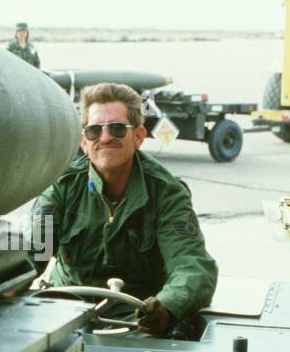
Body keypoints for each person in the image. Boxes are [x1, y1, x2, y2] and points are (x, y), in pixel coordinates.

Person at [31, 83, 217, 337]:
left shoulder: (165, 192)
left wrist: (167, 307)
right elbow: (33, 252)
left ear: (138, 137)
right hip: (66, 308)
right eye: (95, 130)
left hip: (137, 317)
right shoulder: (62, 186)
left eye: (117, 129)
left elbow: (193, 266)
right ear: (84, 142)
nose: (105, 137)